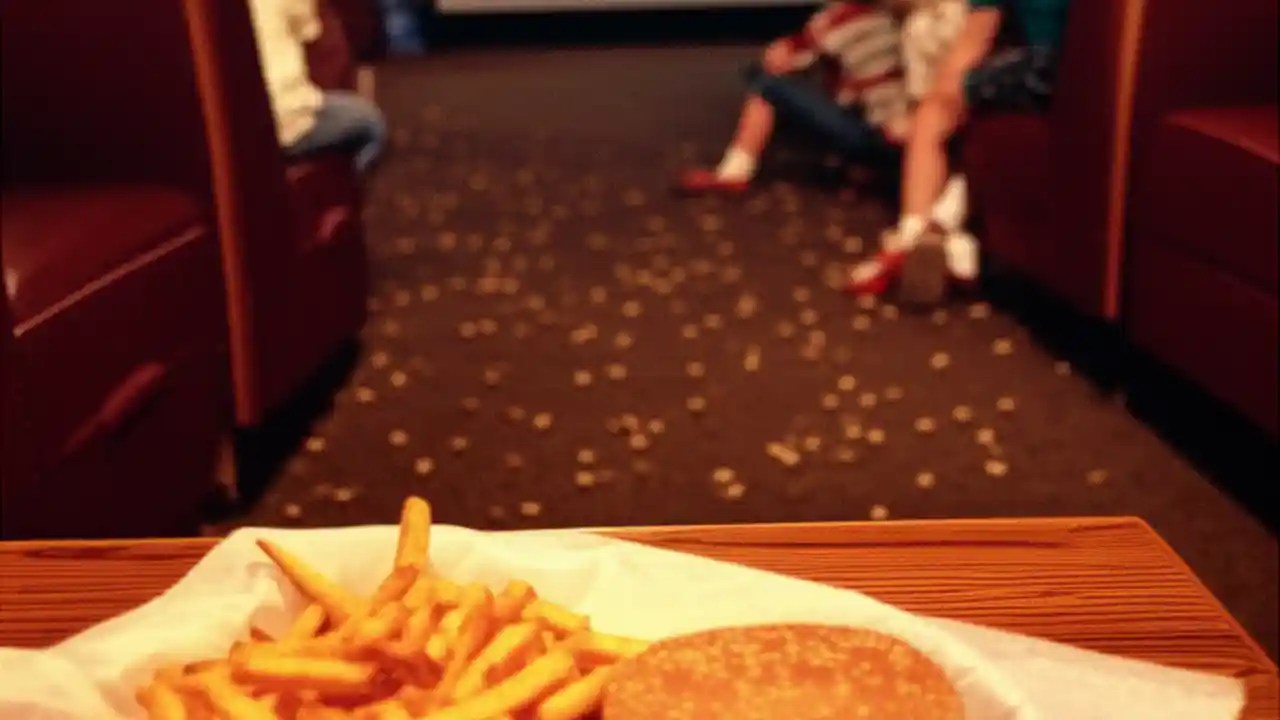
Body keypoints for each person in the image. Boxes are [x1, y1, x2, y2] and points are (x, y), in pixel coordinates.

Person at [848, 0, 1070, 305]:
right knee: (979, 109)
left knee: (940, 111)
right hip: (1092, 67)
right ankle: (944, 231)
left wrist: (940, 97)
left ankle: (913, 233)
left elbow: (974, 41)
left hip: (1046, 66)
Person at [674, 1, 911, 195]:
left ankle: (735, 170)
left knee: (766, 82)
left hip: (876, 132)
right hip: (910, 133)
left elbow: (779, 58)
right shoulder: (904, 16)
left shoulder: (842, 19)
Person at [248, 0, 387, 174]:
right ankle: (343, 185)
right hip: (287, 120)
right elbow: (314, 38)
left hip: (243, 126)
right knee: (373, 125)